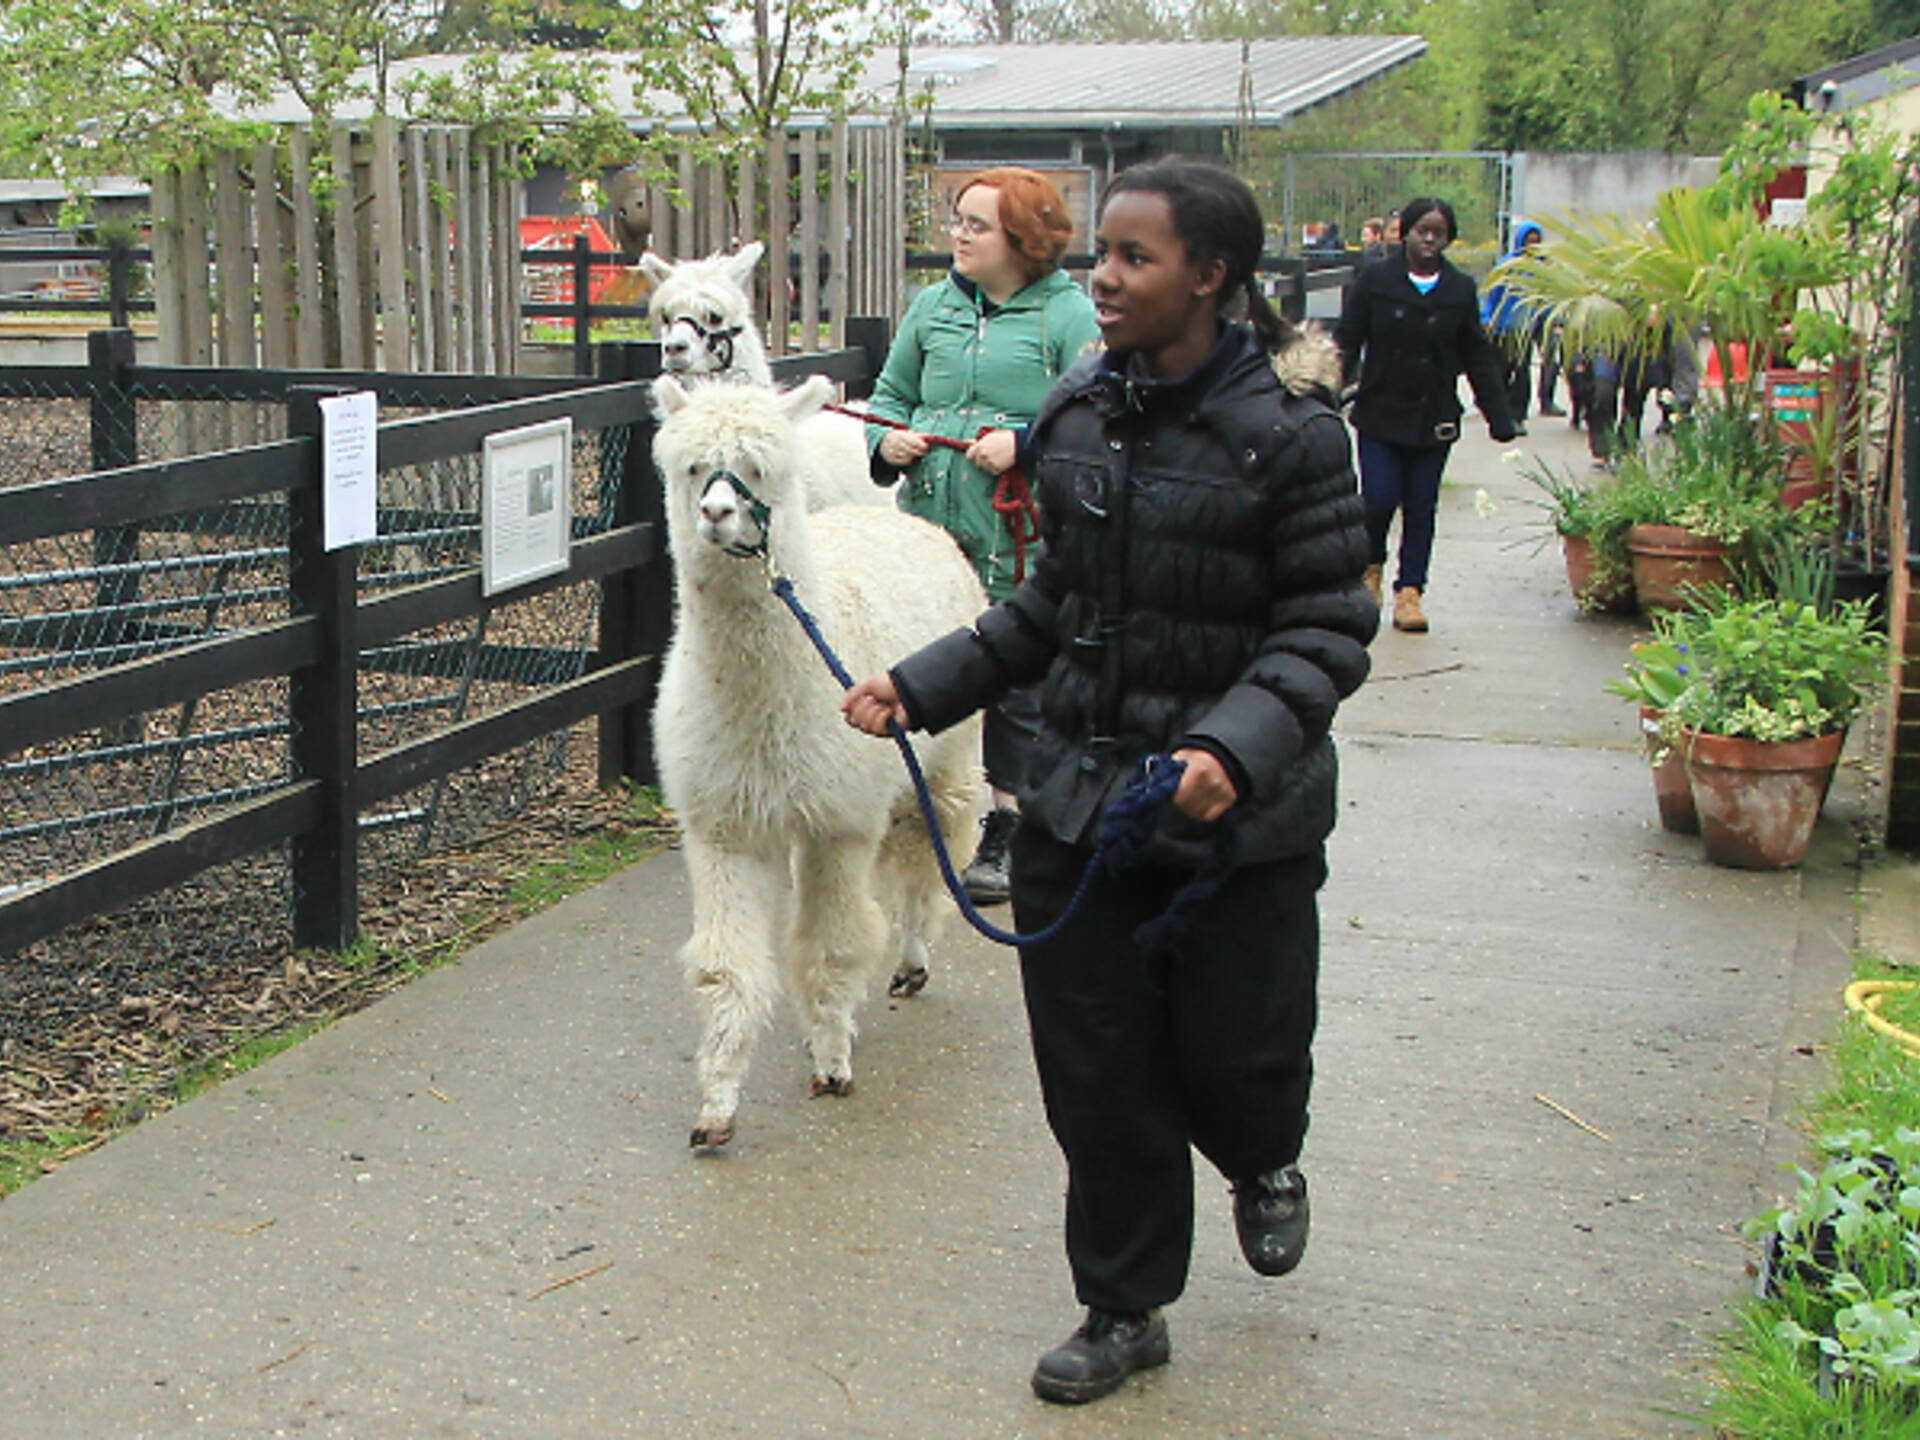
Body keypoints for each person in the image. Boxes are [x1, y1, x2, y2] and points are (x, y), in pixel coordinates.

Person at [842, 157, 1376, 1406]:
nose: (1107, 276)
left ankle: (1263, 1159)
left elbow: (1323, 630)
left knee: (1240, 1063)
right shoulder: (1082, 414)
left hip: (1240, 830)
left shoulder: (1294, 443)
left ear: (1213, 275)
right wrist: (917, 687)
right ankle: (1126, 1304)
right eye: (1104, 255)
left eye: (1137, 258)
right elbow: (1048, 606)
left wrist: (1229, 752)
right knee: (1099, 1074)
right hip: (1083, 809)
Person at [865, 167, 1101, 906]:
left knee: (1013, 670)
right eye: (957, 221)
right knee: (924, 658)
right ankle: (915, 805)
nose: (958, 236)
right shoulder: (931, 308)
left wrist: (1026, 443)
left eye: (977, 225)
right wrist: (889, 439)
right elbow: (890, 395)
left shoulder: (1067, 318)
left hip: (1015, 532)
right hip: (929, 529)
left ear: (1022, 239)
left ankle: (1009, 823)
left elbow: (1098, 412)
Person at [1333, 195, 1519, 633]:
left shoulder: (1458, 290)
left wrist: (1500, 416)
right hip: (1380, 411)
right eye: (1422, 230)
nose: (1430, 239)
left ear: (1449, 238)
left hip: (1432, 416)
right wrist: (1323, 390)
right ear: (1406, 233)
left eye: (1439, 232)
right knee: (1378, 497)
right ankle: (1370, 569)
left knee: (1421, 506)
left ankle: (1410, 592)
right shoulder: (1376, 279)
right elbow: (1347, 339)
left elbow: (1476, 354)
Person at [1482, 218, 1544, 422]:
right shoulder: (1507, 265)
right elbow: (1492, 294)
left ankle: (1517, 416)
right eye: (1529, 241)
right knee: (1501, 371)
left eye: (1536, 241)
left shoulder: (1543, 268)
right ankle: (1500, 411)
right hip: (1503, 328)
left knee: (1522, 372)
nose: (1532, 246)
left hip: (1525, 329)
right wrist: (1487, 317)